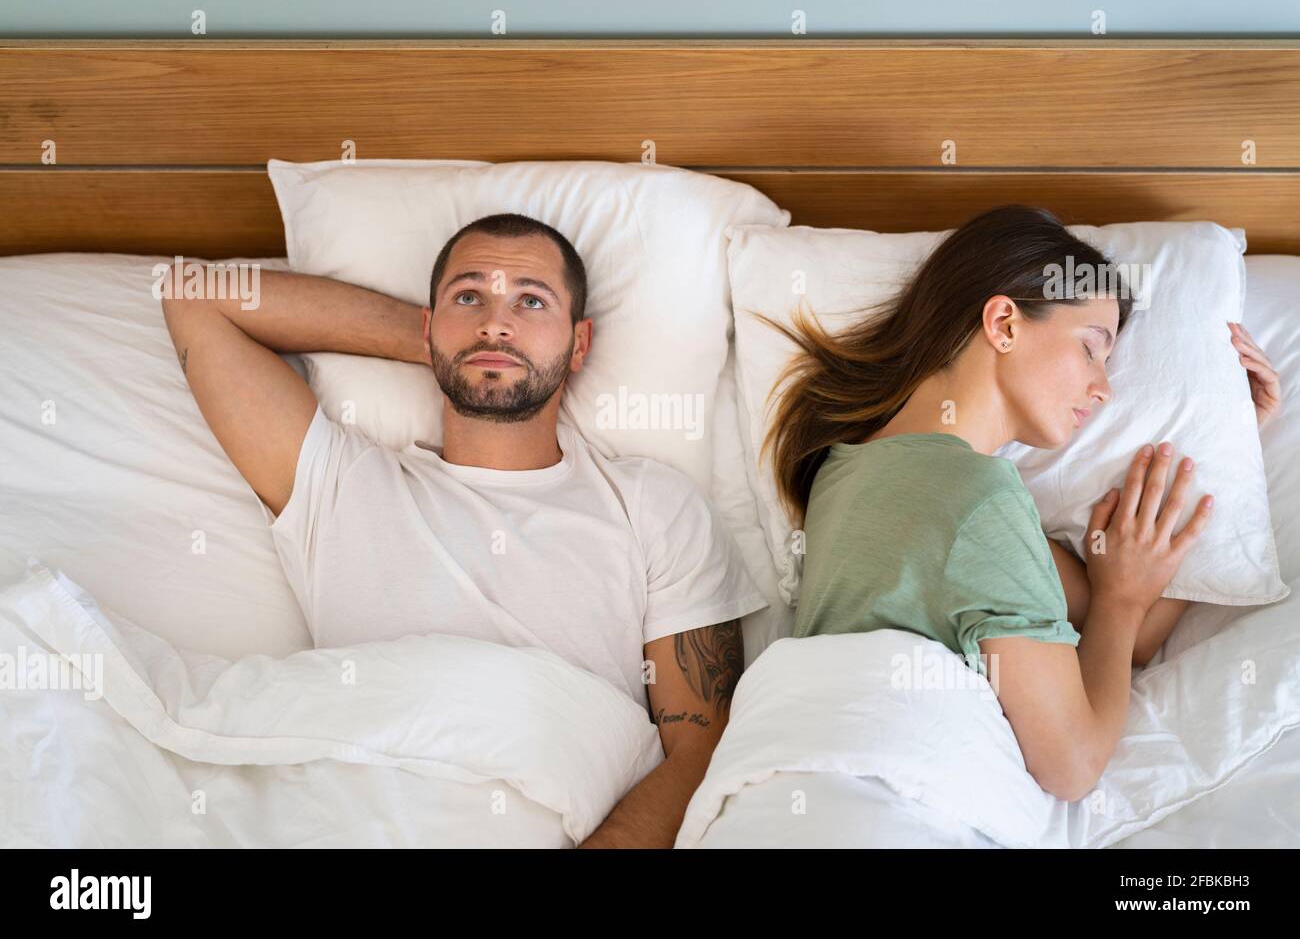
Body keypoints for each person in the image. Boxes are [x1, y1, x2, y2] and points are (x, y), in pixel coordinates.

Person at [160, 213, 766, 847]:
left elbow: (700, 752)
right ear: (428, 325)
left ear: (580, 344)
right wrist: (451, 346)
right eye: (469, 296)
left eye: (531, 301)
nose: (495, 322)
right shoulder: (339, 484)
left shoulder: (650, 503)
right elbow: (193, 298)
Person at [761, 205, 1283, 801]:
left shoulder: (845, 468)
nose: (1105, 389)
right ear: (1004, 322)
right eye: (1092, 348)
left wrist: (1233, 445)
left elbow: (1129, 631)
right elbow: (1073, 764)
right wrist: (1115, 602)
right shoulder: (980, 501)